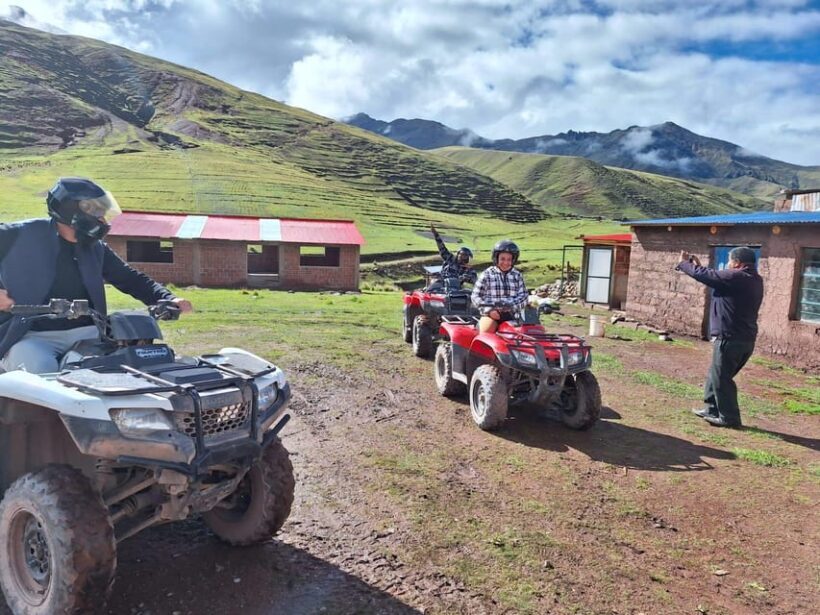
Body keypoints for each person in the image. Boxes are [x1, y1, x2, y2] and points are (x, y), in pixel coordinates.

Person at [0, 177, 193, 374]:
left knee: (114, 371)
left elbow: (129, 278)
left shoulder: (95, 248)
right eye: (97, 212)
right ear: (72, 211)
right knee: (42, 371)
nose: (103, 220)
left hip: (88, 335)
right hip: (30, 336)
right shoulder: (18, 235)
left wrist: (168, 298)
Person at [677, 247, 763, 428]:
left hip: (730, 338)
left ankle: (729, 418)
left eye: (731, 262)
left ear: (737, 263)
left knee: (722, 378)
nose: (729, 265)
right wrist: (700, 269)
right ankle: (711, 408)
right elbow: (714, 278)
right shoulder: (753, 279)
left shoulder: (737, 277)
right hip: (744, 338)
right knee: (716, 374)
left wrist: (684, 264)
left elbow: (714, 277)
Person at [471, 239, 528, 333]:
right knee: (486, 333)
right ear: (496, 258)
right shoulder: (487, 274)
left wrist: (513, 306)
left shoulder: (517, 275)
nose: (506, 262)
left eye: (509, 259)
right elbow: (475, 296)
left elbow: (524, 296)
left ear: (513, 260)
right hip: (491, 316)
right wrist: (489, 310)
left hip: (513, 316)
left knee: (529, 334)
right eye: (502, 259)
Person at [429, 224, 477, 289]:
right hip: (441, 284)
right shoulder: (450, 259)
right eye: (461, 254)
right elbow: (442, 248)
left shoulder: (469, 269)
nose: (462, 257)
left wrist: (467, 278)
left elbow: (476, 281)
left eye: (465, 256)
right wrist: (436, 234)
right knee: (433, 284)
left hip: (455, 289)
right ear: (458, 254)